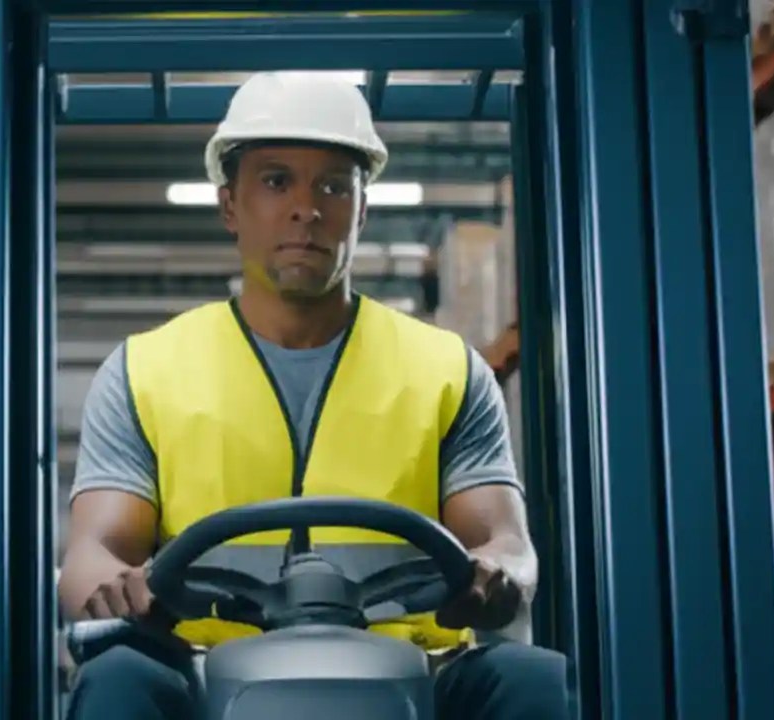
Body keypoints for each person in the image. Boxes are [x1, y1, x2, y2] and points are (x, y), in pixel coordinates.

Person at [58, 71, 569, 719]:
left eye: (333, 185)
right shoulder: (144, 369)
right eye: (276, 181)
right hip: (207, 675)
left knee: (528, 678)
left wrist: (495, 575)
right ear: (229, 206)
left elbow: (506, 544)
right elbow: (94, 552)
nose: (307, 207)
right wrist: (115, 589)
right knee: (119, 681)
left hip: (411, 671)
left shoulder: (446, 369)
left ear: (361, 209)